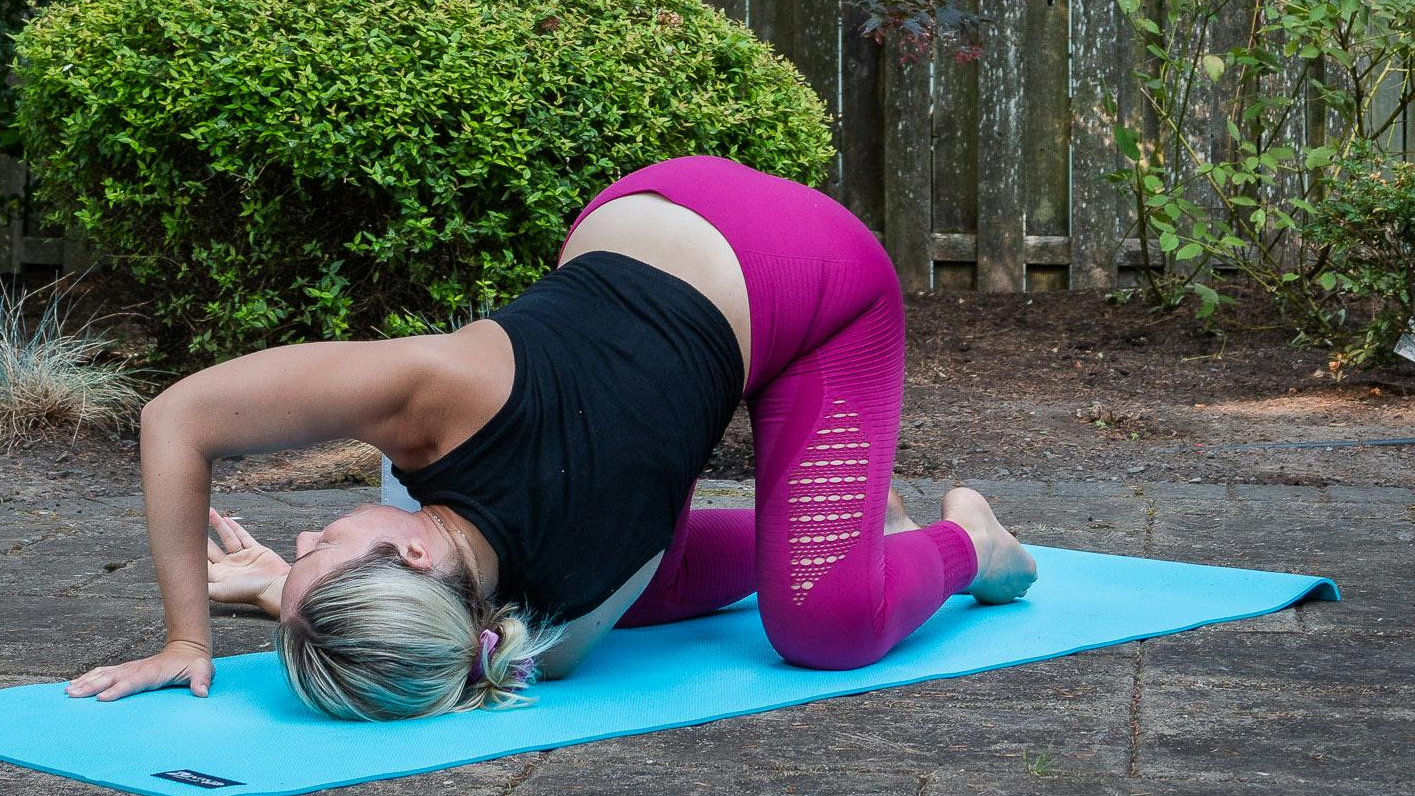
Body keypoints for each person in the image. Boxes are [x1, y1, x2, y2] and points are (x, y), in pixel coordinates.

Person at [67, 156, 1035, 720]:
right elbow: (419, 629)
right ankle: (968, 540)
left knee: (814, 622)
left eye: (306, 556)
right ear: (410, 555)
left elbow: (177, 419)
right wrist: (288, 593)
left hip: (779, 255)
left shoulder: (434, 401)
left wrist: (187, 632)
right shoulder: (541, 641)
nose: (310, 536)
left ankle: (909, 541)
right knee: (776, 612)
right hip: (726, 308)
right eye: (325, 553)